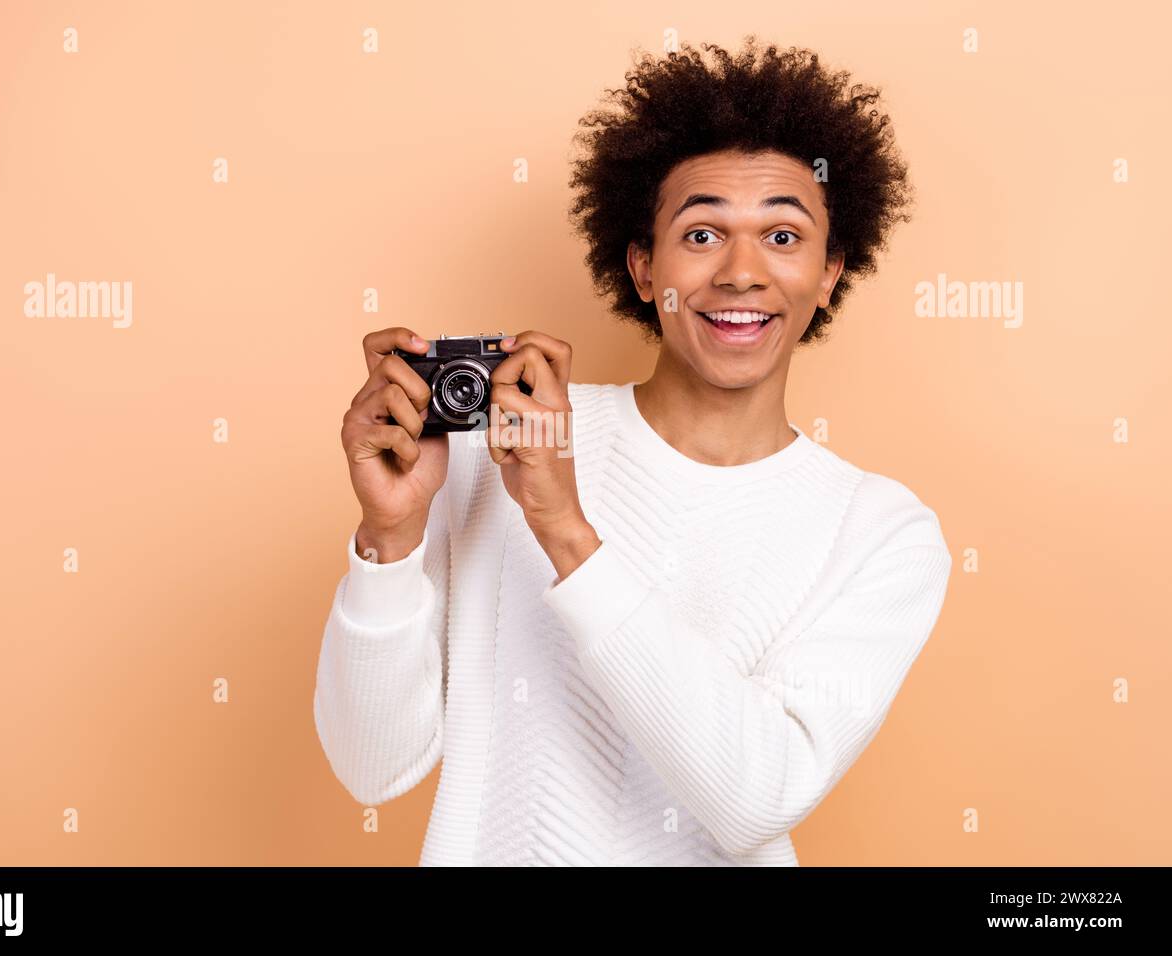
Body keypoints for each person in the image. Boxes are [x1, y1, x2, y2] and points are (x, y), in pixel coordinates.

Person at [314, 38, 952, 866]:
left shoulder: (881, 532)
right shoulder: (508, 441)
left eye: (784, 238)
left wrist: (565, 529)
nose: (742, 273)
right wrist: (388, 542)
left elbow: (756, 798)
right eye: (702, 233)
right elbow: (374, 770)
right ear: (645, 269)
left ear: (831, 274)